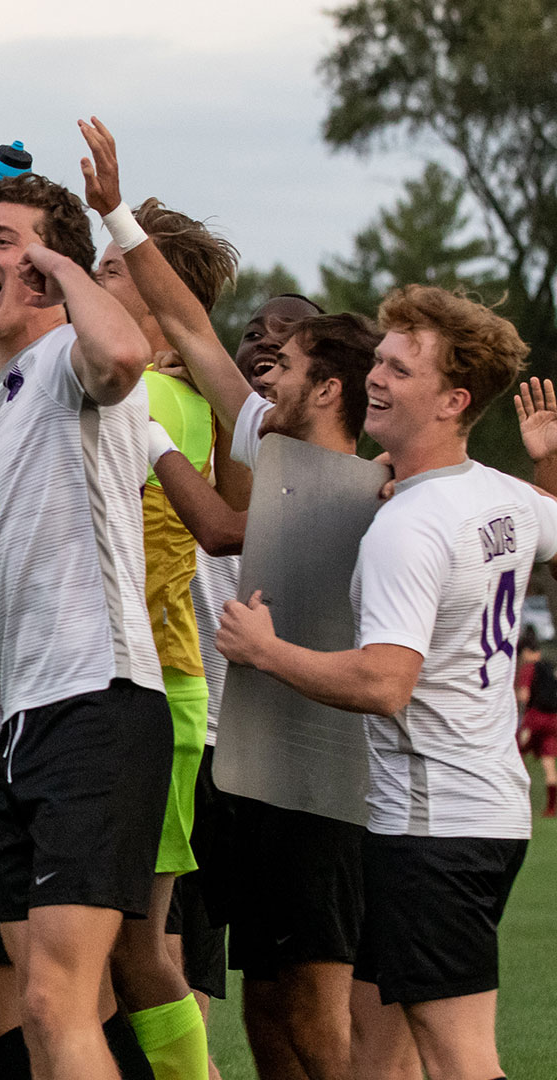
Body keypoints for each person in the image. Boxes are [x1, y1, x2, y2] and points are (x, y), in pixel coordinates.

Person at [80, 117, 397, 1080]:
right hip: (260, 768)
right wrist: (118, 218)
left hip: (332, 782)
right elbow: (187, 327)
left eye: (288, 367)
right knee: (266, 1004)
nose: (262, 374)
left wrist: (159, 449)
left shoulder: (383, 489)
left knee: (313, 1007)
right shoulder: (273, 444)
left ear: (331, 387)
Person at [218, 283, 540, 1080]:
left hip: (435, 829)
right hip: (483, 815)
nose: (378, 376)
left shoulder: (410, 522)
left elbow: (385, 682)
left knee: (460, 1058)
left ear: (453, 400)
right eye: (382, 360)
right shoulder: (504, 495)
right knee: (379, 1058)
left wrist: (265, 651)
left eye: (401, 368)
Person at [0, 150, 166, 1080]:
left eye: (5, 240)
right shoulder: (3, 397)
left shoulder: (63, 361)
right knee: (40, 1002)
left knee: (56, 1000)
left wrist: (69, 265)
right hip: (25, 719)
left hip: (99, 702)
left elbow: (128, 351)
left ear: (50, 270)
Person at [79, 133, 243, 1078]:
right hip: (115, 694)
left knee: (139, 945)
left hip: (153, 693)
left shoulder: (159, 403)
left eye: (113, 268)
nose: (94, 281)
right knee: (99, 949)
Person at [514, 629, 557, 816]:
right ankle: (550, 808)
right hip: (554, 720)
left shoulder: (529, 668)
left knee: (515, 756)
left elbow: (524, 694)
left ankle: (517, 802)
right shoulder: (549, 668)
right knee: (549, 765)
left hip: (534, 719)